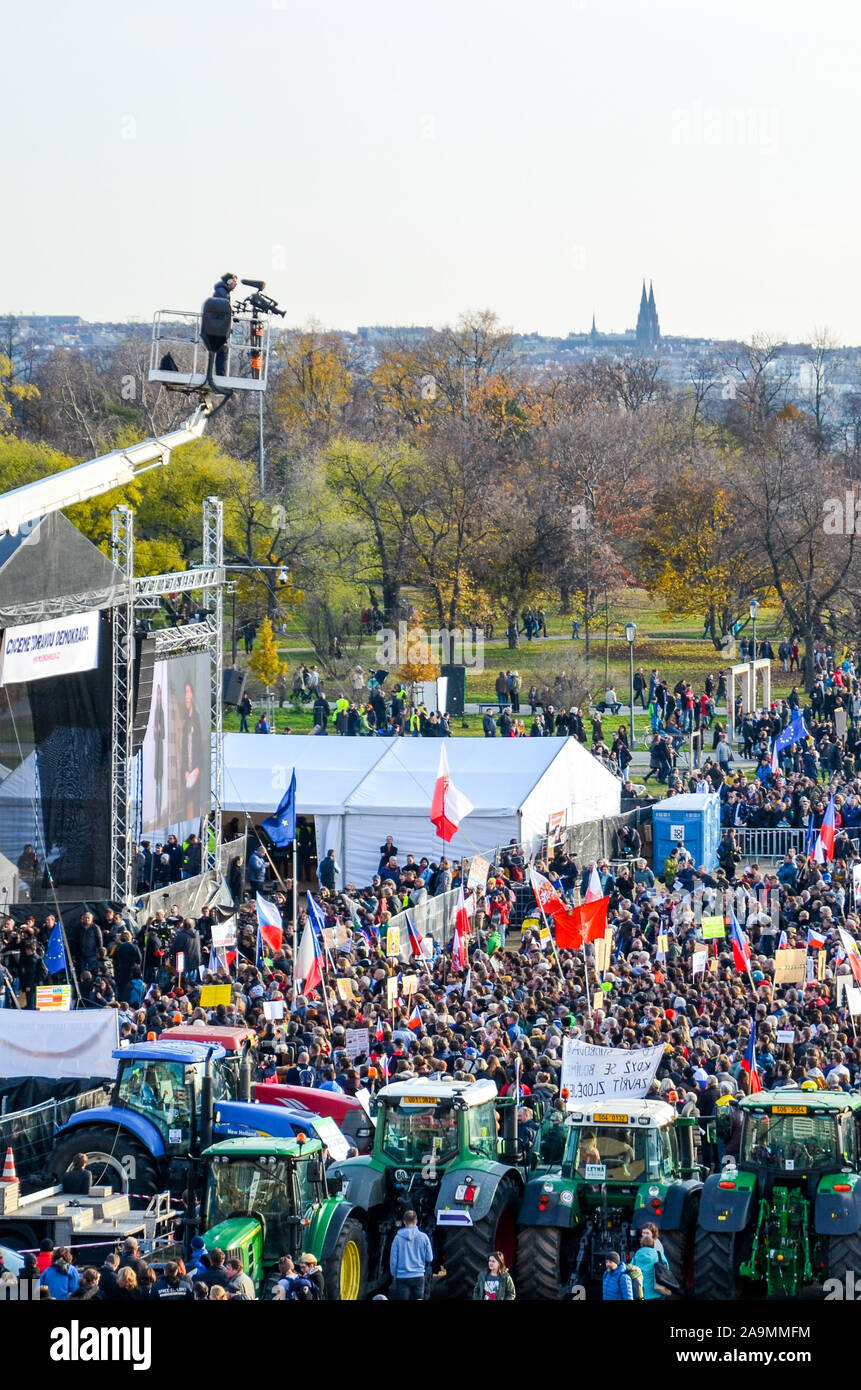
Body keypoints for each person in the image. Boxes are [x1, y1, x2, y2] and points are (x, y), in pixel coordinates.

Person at [389, 1210, 433, 1300]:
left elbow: (393, 1259)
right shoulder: (424, 1237)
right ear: (416, 1221)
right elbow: (430, 1258)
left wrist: (394, 1274)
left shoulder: (397, 1238)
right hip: (419, 1277)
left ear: (404, 1222)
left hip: (402, 1277)